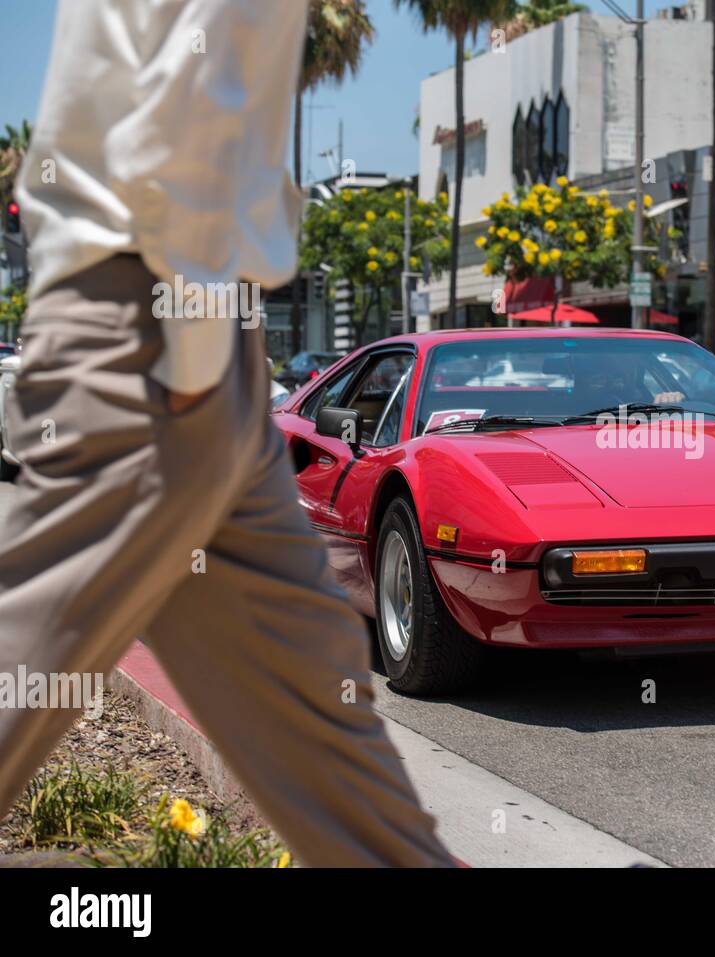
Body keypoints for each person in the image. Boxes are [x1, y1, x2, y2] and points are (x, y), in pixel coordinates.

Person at [0, 0, 454, 867]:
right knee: (24, 666)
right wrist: (196, 347)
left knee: (315, 699)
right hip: (164, 328)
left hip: (195, 342)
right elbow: (188, 88)